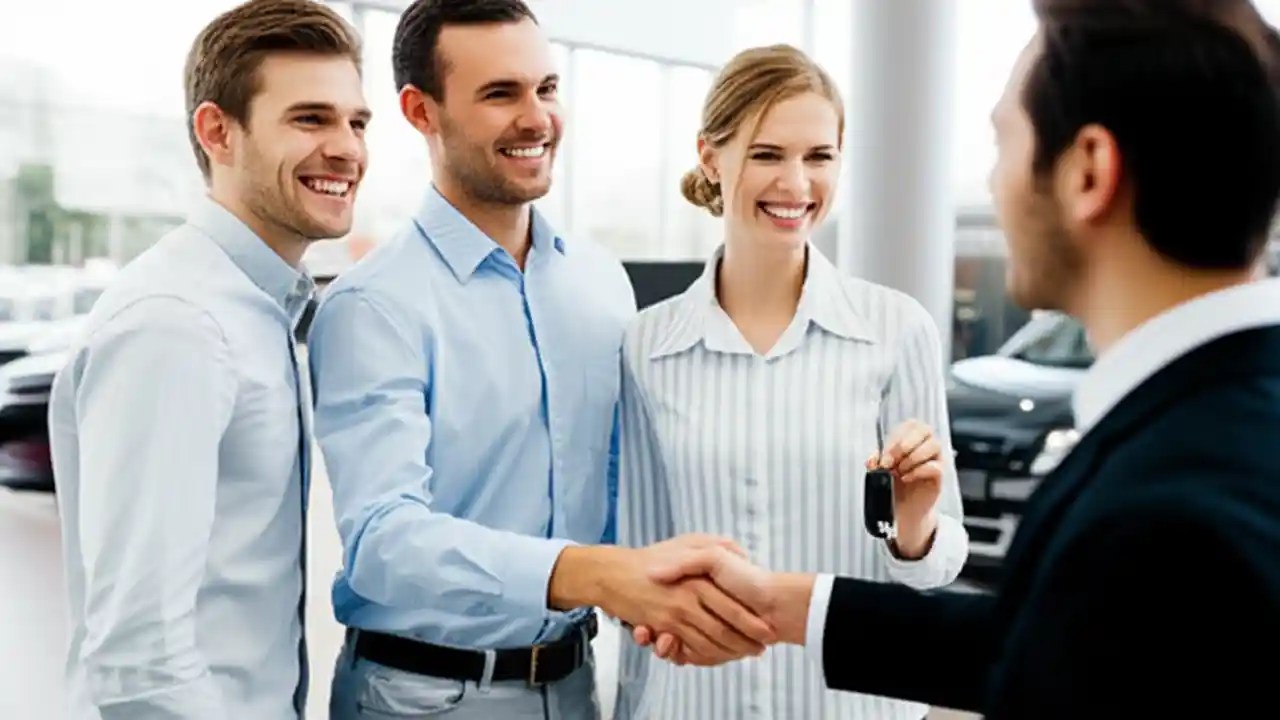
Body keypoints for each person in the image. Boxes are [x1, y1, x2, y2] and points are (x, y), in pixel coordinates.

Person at [644, 1, 1280, 718]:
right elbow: (1048, 643)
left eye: (1002, 144)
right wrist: (795, 607)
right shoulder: (1205, 433)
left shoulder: (1174, 497)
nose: (991, 185)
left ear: (1088, 172)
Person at [305, 1, 772, 718]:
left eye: (546, 88)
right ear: (420, 110)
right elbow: (383, 542)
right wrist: (596, 574)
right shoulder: (374, 305)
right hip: (423, 699)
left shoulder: (599, 284)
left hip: (575, 684)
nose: (537, 118)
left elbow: (620, 495)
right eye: (500, 94)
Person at [614, 44, 968, 720]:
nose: (797, 184)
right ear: (711, 157)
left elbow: (936, 570)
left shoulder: (897, 330)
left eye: (819, 157)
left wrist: (914, 524)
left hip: (855, 708)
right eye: (768, 154)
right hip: (695, 706)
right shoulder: (647, 345)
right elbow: (641, 564)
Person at [45, 1, 368, 718]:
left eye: (356, 121)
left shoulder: (259, 311)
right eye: (310, 119)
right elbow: (139, 662)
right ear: (218, 132)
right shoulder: (177, 326)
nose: (347, 148)